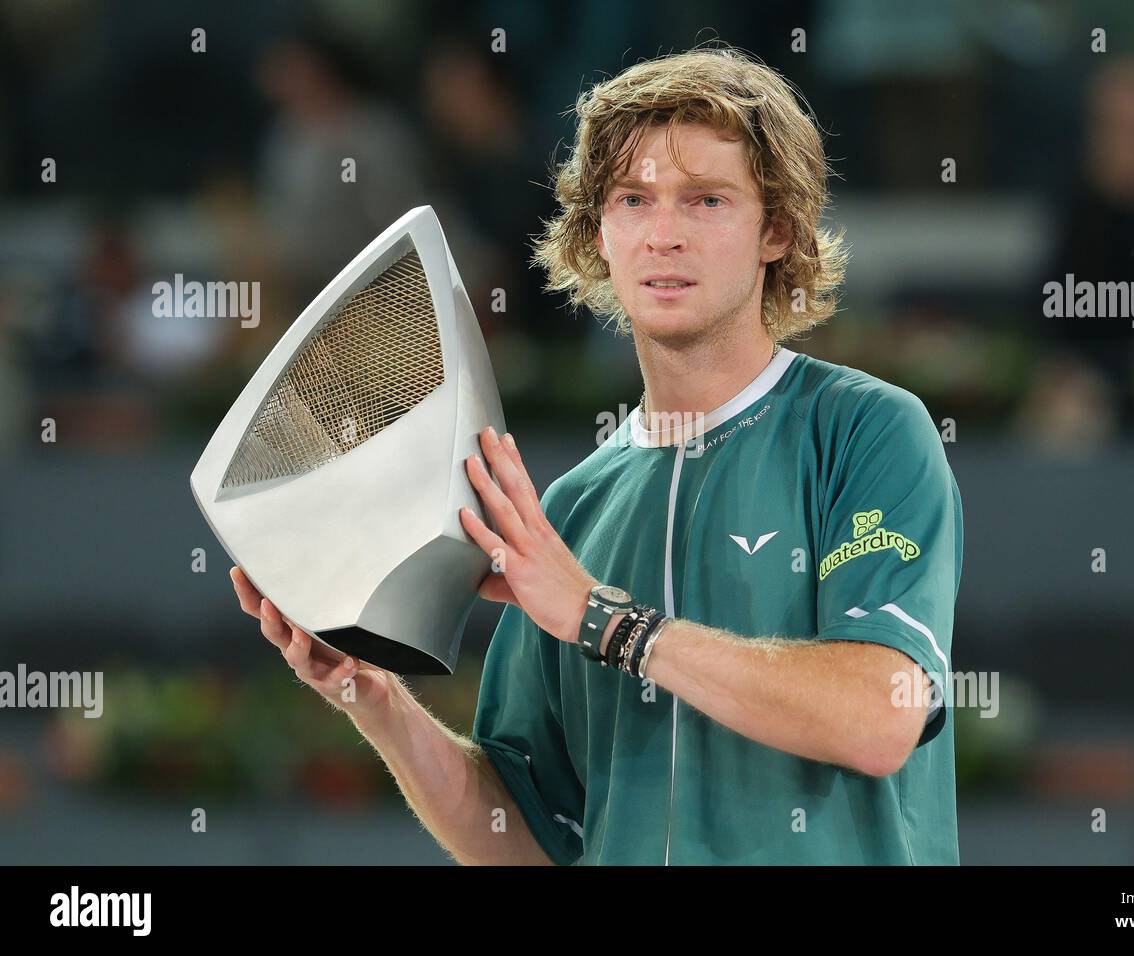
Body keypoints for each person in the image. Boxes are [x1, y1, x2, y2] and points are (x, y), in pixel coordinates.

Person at [231, 45, 963, 865]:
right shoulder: (570, 511)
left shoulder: (869, 432)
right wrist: (372, 695)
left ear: (778, 231)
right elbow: (524, 842)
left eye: (708, 201)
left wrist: (604, 618)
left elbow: (878, 717)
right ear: (599, 233)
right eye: (633, 200)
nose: (664, 235)